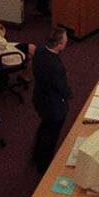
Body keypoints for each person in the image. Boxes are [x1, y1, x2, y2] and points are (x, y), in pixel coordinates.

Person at [31, 27, 72, 173]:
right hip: (53, 106)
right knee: (51, 136)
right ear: (59, 45)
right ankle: (44, 167)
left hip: (40, 97)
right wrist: (69, 94)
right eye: (65, 39)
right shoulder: (55, 67)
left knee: (44, 127)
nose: (67, 40)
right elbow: (62, 89)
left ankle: (36, 155)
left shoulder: (41, 49)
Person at [0, 5, 34, 69]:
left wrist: (0, 27)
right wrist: (0, 36)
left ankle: (25, 74)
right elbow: (4, 43)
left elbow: (2, 35)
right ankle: (25, 75)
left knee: (32, 47)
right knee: (31, 54)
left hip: (3, 48)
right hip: (3, 54)